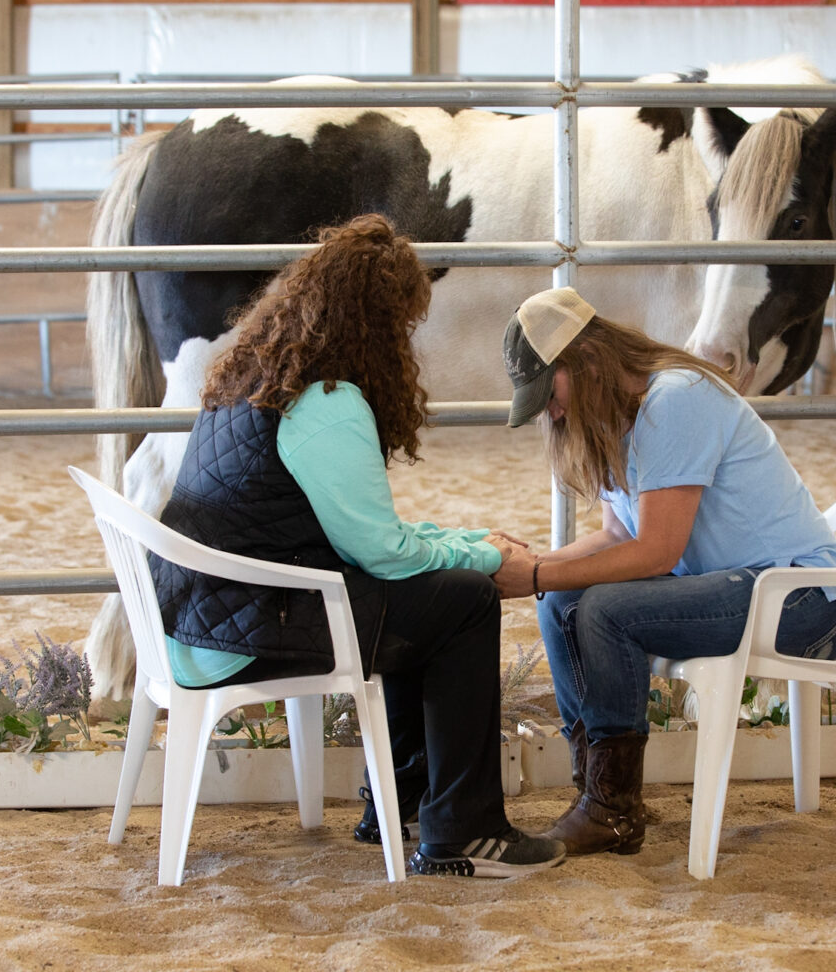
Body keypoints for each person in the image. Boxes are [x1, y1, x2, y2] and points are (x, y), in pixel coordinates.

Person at [150, 214, 565, 878]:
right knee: (460, 603)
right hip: (249, 627)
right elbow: (382, 552)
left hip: (213, 610)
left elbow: (362, 537)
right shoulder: (327, 400)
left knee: (423, 594)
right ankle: (464, 830)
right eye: (400, 324)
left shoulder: (256, 378)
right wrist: (485, 559)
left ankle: (400, 806)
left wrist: (463, 540)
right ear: (376, 324)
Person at [494, 287, 836, 857]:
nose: (552, 412)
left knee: (603, 608)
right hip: (742, 588)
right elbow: (618, 536)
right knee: (562, 602)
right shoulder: (625, 411)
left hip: (804, 600)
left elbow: (657, 552)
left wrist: (537, 572)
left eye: (551, 394)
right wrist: (525, 565)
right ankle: (596, 786)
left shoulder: (676, 397)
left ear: (587, 361)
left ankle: (611, 809)